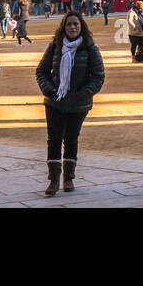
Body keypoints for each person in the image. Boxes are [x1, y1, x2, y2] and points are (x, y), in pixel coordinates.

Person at [35, 12, 105, 196]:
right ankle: (54, 179)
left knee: (72, 139)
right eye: (69, 25)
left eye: (76, 24)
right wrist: (49, 90)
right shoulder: (55, 46)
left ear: (81, 26)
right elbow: (42, 71)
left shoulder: (90, 48)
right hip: (54, 101)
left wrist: (82, 95)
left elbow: (98, 76)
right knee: (54, 139)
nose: (72, 27)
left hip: (78, 103)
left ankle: (68, 177)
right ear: (63, 27)